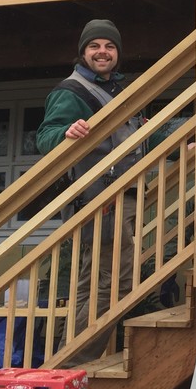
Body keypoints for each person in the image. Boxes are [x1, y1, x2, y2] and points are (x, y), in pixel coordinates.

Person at [36, 19, 144, 364]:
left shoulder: (119, 91)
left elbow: (139, 135)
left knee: (92, 281)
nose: (102, 52)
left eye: (109, 46)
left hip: (117, 196)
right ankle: (70, 366)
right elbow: (45, 137)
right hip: (100, 198)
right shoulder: (72, 92)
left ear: (117, 53)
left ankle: (64, 364)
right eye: (95, 46)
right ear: (83, 52)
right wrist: (66, 133)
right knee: (117, 283)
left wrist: (178, 145)